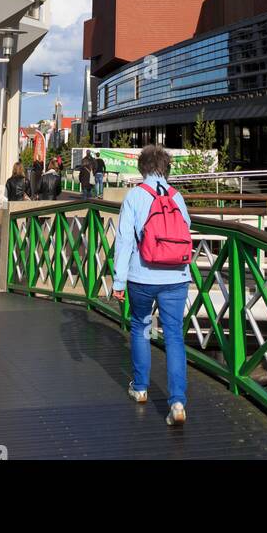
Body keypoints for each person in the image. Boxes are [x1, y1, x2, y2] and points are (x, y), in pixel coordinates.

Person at [112, 145, 192, 427]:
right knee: (174, 337)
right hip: (176, 277)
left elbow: (124, 241)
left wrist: (118, 280)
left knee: (141, 328)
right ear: (166, 168)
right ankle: (178, 400)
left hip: (142, 276)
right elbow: (185, 229)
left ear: (142, 168)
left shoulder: (135, 196)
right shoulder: (177, 196)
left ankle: (141, 388)